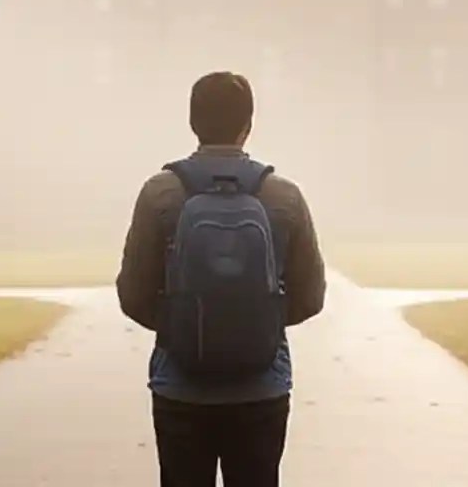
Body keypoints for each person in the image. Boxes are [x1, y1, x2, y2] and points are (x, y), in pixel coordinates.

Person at [117, 71, 327, 487]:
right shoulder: (284, 196)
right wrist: (256, 323)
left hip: (180, 387)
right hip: (262, 387)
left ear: (192, 122)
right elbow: (311, 296)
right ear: (248, 124)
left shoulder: (159, 194)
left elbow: (132, 295)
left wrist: (185, 327)